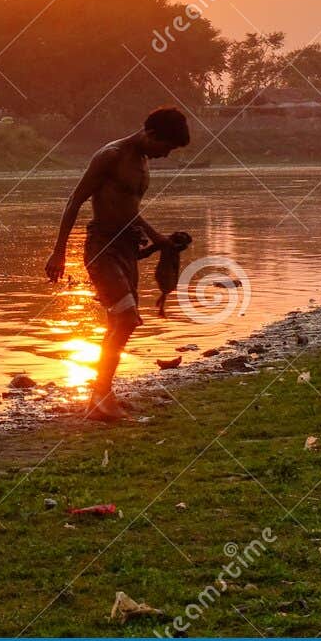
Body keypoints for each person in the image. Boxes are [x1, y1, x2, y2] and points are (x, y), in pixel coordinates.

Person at [44, 107, 192, 420]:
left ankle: (102, 395)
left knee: (118, 322)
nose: (166, 155)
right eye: (165, 147)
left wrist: (159, 239)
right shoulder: (110, 156)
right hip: (103, 248)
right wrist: (58, 252)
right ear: (151, 135)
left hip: (127, 247)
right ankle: (100, 395)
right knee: (126, 319)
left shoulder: (143, 161)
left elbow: (129, 210)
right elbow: (75, 201)